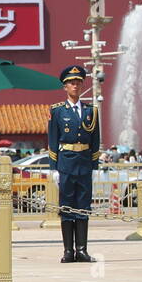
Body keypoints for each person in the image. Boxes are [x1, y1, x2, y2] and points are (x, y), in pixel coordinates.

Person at [48, 64, 99, 263]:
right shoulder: (58, 111)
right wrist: (54, 168)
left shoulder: (91, 111)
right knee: (67, 207)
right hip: (66, 162)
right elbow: (53, 140)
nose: (75, 86)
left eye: (78, 82)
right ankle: (68, 250)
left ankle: (82, 249)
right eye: (71, 83)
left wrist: (94, 167)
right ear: (65, 87)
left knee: (83, 207)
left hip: (84, 162)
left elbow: (95, 140)